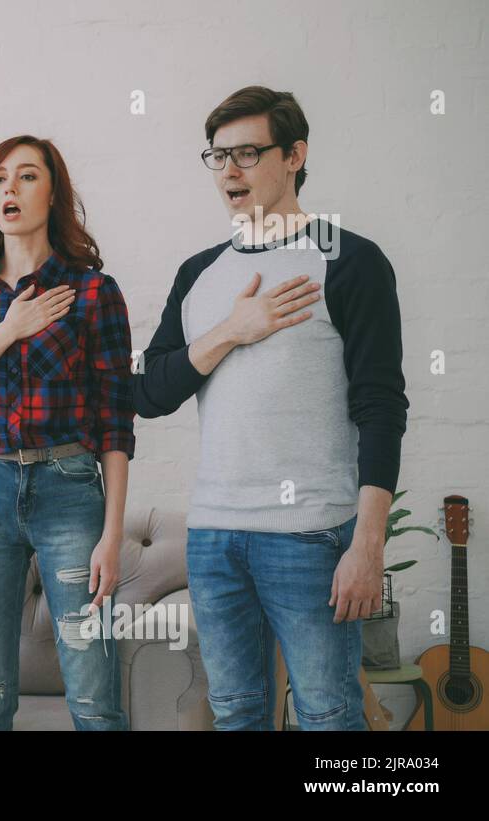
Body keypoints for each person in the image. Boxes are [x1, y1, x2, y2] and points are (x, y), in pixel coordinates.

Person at [132, 86, 409, 730]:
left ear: (294, 156)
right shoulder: (199, 271)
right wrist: (233, 329)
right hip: (212, 539)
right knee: (235, 716)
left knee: (330, 718)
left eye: (248, 153)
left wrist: (368, 544)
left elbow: (381, 406)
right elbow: (147, 392)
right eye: (218, 156)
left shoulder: (351, 261)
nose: (230, 170)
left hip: (311, 536)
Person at [0, 136, 134, 731]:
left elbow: (116, 421)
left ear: (52, 191)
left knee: (92, 695)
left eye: (27, 176)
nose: (10, 188)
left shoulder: (93, 292)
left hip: (70, 491)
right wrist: (8, 330)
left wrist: (112, 534)